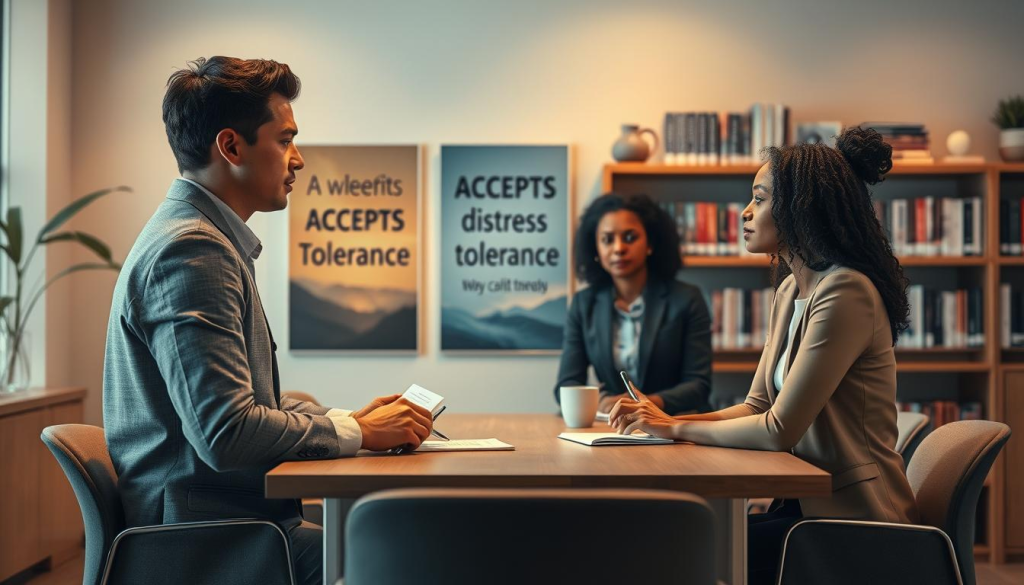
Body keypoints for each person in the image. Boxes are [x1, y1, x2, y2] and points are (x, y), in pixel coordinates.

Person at [102, 56, 432, 585]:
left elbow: (247, 407)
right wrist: (358, 432)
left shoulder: (202, 239)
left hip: (228, 523)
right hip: (206, 540)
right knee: (409, 559)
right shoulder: (192, 251)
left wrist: (352, 420)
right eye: (285, 140)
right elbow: (227, 433)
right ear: (231, 147)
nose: (298, 159)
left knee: (398, 547)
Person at [609, 127, 920, 585]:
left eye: (759, 198)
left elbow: (778, 429)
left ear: (801, 207)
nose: (746, 212)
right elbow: (756, 407)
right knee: (676, 544)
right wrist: (665, 419)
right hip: (805, 510)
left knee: (679, 553)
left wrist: (672, 428)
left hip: (856, 520)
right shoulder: (791, 289)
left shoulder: (846, 291)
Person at [554, 193, 712, 415]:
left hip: (675, 422)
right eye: (607, 240)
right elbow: (567, 385)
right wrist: (601, 401)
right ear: (595, 249)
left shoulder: (687, 298)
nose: (618, 248)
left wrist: (646, 403)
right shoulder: (583, 304)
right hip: (613, 425)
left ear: (650, 244)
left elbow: (698, 385)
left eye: (629, 237)